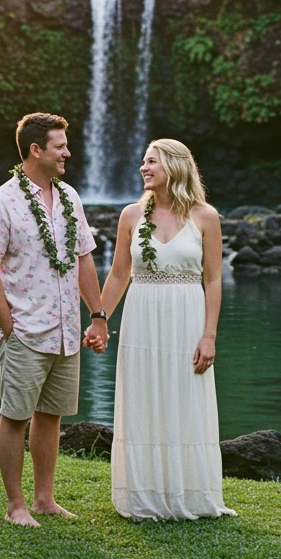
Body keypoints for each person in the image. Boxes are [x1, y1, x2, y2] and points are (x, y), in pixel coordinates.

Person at [0, 112, 109, 527]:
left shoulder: (69, 197)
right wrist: (7, 324)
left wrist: (98, 314)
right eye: (60, 145)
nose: (68, 152)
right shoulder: (1, 203)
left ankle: (44, 499)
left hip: (67, 329)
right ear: (36, 150)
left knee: (51, 415)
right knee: (15, 416)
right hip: (25, 330)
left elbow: (84, 257)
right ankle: (15, 505)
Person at [98, 138, 235, 521]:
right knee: (143, 398)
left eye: (151, 161)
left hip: (186, 319)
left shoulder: (205, 216)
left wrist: (209, 335)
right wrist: (100, 319)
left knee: (185, 399)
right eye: (143, 161)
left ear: (174, 166)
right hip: (142, 318)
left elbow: (213, 280)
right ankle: (144, 494)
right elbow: (120, 274)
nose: (143, 168)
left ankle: (189, 493)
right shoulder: (130, 215)